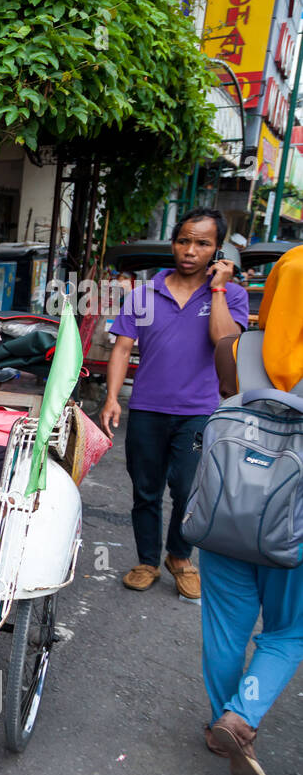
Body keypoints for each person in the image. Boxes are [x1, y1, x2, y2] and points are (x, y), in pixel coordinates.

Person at [100, 208, 248, 599]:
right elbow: (122, 348)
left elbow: (224, 341)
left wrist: (217, 288)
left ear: (218, 251)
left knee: (187, 489)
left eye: (203, 243)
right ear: (173, 243)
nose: (190, 250)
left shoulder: (232, 295)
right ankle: (148, 560)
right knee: (145, 490)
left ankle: (180, 557)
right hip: (147, 408)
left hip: (198, 412)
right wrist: (112, 398)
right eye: (184, 240)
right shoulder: (145, 293)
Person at [199, 247, 303, 775]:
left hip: (228, 511)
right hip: (295, 528)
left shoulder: (233, 350)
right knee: (288, 630)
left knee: (224, 626)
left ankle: (226, 725)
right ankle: (242, 715)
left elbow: (231, 400)